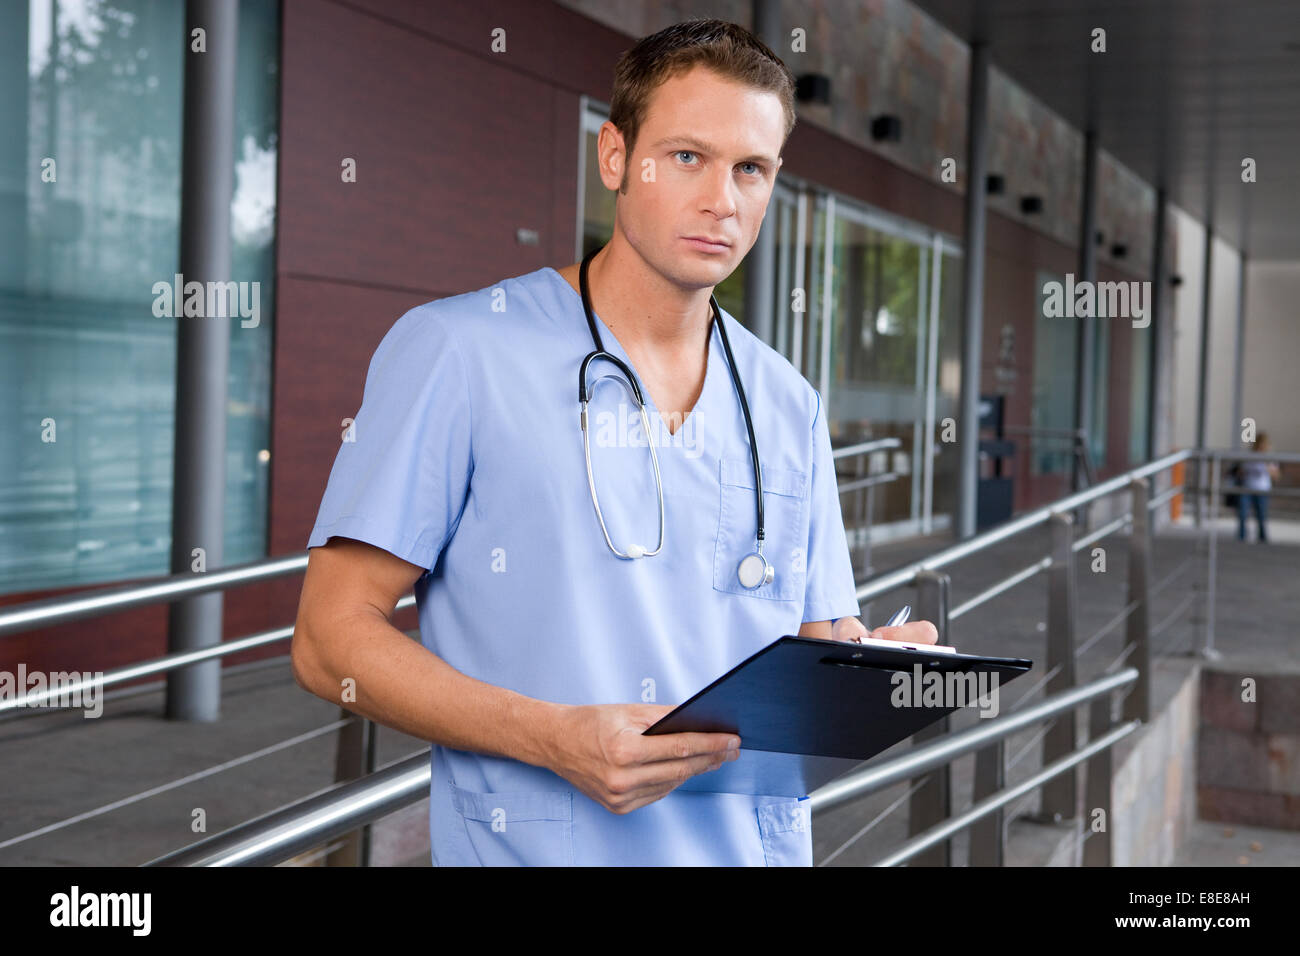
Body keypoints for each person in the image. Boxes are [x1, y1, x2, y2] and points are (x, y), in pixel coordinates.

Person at [291, 18, 938, 867]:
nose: (722, 200)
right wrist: (550, 735)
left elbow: (818, 637)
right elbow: (329, 637)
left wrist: (870, 672)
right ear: (613, 157)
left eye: (752, 169)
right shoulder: (462, 351)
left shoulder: (789, 403)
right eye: (686, 157)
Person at [1237, 432, 1281, 542]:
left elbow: (1276, 476)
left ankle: (1262, 538)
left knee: (1261, 515)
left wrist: (1267, 466)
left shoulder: (1269, 458)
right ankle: (1241, 537)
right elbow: (1240, 472)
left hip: (1262, 489)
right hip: (1247, 488)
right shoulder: (1250, 456)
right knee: (1243, 513)